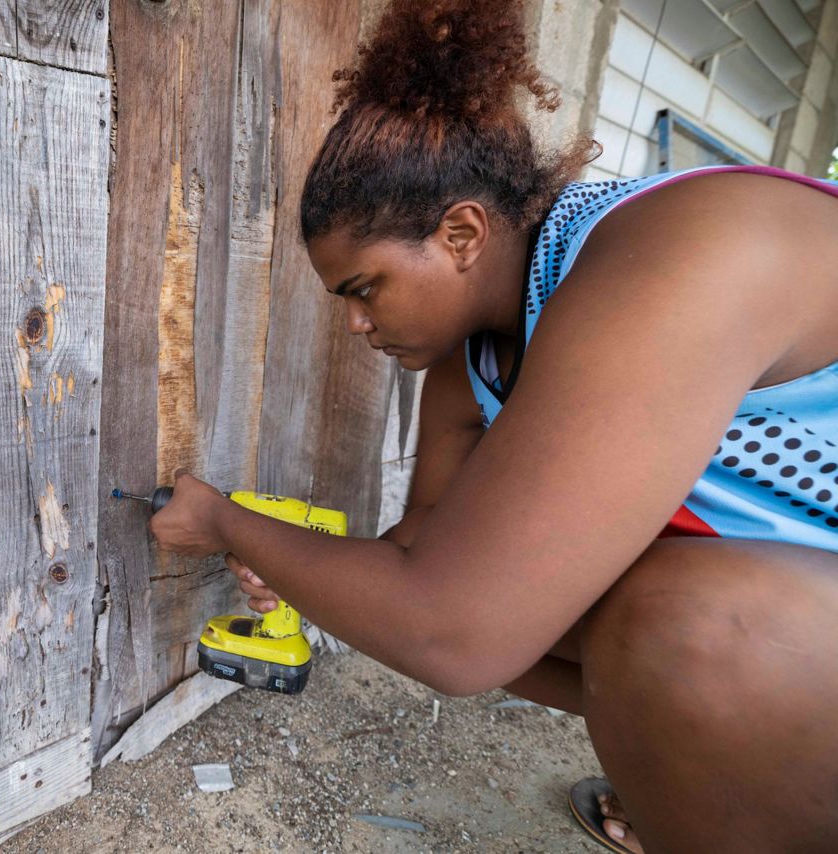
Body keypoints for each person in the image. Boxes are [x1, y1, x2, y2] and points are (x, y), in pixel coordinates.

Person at [146, 1, 838, 851]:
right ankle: (703, 771)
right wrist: (301, 569)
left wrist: (224, 523)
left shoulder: (681, 257)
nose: (355, 325)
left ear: (462, 233)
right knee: (534, 604)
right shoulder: (474, 360)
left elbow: (451, 633)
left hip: (783, 622)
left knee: (678, 627)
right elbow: (421, 560)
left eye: (363, 289)